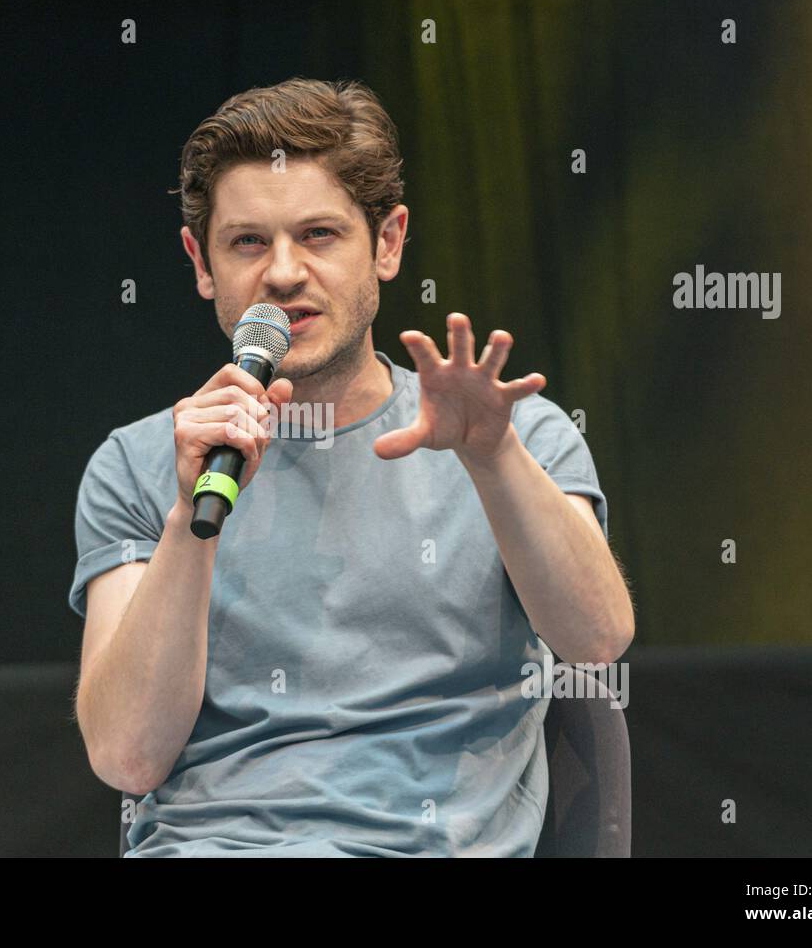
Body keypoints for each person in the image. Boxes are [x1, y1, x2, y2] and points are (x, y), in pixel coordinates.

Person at [68, 77, 634, 856]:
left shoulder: (515, 436)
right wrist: (187, 523)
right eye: (248, 242)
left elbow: (596, 639)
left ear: (389, 243)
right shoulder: (137, 463)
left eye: (320, 235)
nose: (284, 272)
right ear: (201, 262)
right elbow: (128, 754)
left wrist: (494, 459)